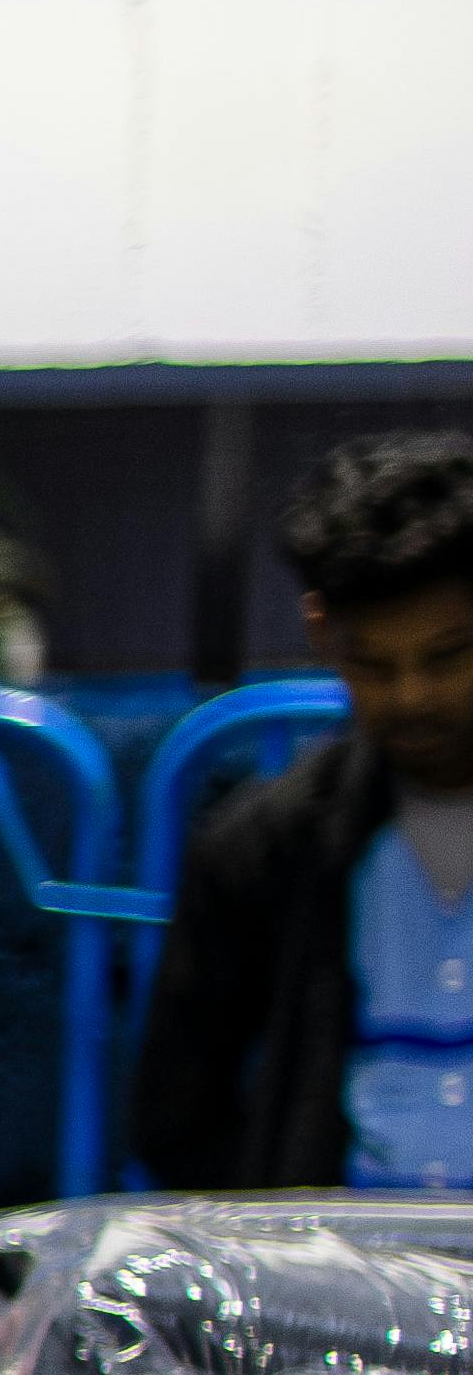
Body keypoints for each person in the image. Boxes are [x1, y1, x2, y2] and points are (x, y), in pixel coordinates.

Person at [136, 432, 473, 1190]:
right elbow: (176, 1112)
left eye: (448, 657)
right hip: (341, 1285)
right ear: (323, 631)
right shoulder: (261, 849)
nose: (412, 695)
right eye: (374, 665)